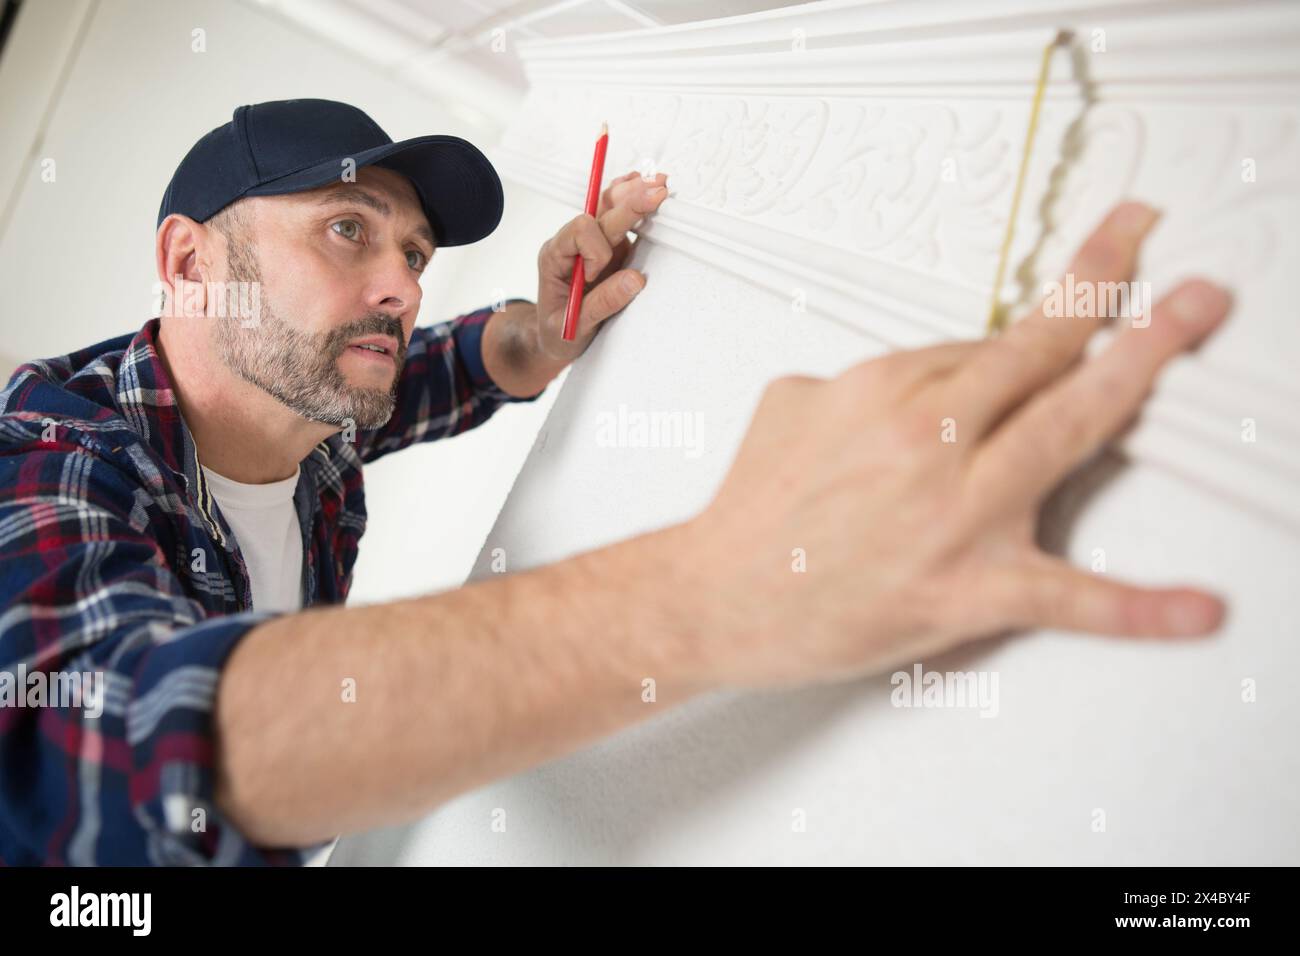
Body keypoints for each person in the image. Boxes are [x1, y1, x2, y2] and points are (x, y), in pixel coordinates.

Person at [0, 99, 1230, 865]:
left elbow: (412, 371)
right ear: (187, 258)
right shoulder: (50, 448)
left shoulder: (303, 413)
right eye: (346, 228)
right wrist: (720, 586)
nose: (401, 283)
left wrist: (533, 337)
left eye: (415, 251)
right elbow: (100, 747)